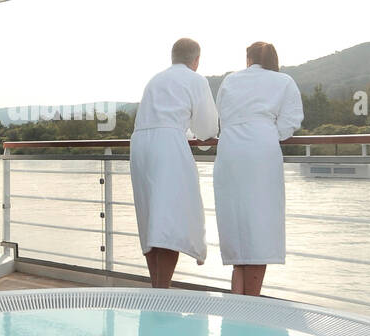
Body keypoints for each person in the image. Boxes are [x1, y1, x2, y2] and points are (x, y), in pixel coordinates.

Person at [213, 40, 303, 296]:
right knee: (260, 225)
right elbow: (289, 123)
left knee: (237, 223)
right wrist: (263, 131)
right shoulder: (283, 81)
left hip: (229, 150)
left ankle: (237, 304)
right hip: (260, 152)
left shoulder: (230, 81)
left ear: (249, 59)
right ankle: (251, 304)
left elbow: (222, 114)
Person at [130, 38, 219, 288]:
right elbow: (207, 129)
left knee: (150, 217)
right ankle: (162, 290)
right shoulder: (196, 80)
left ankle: (157, 287)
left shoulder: (155, 80)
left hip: (140, 145)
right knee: (169, 218)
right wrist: (197, 138)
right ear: (196, 60)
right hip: (167, 147)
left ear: (172, 57)